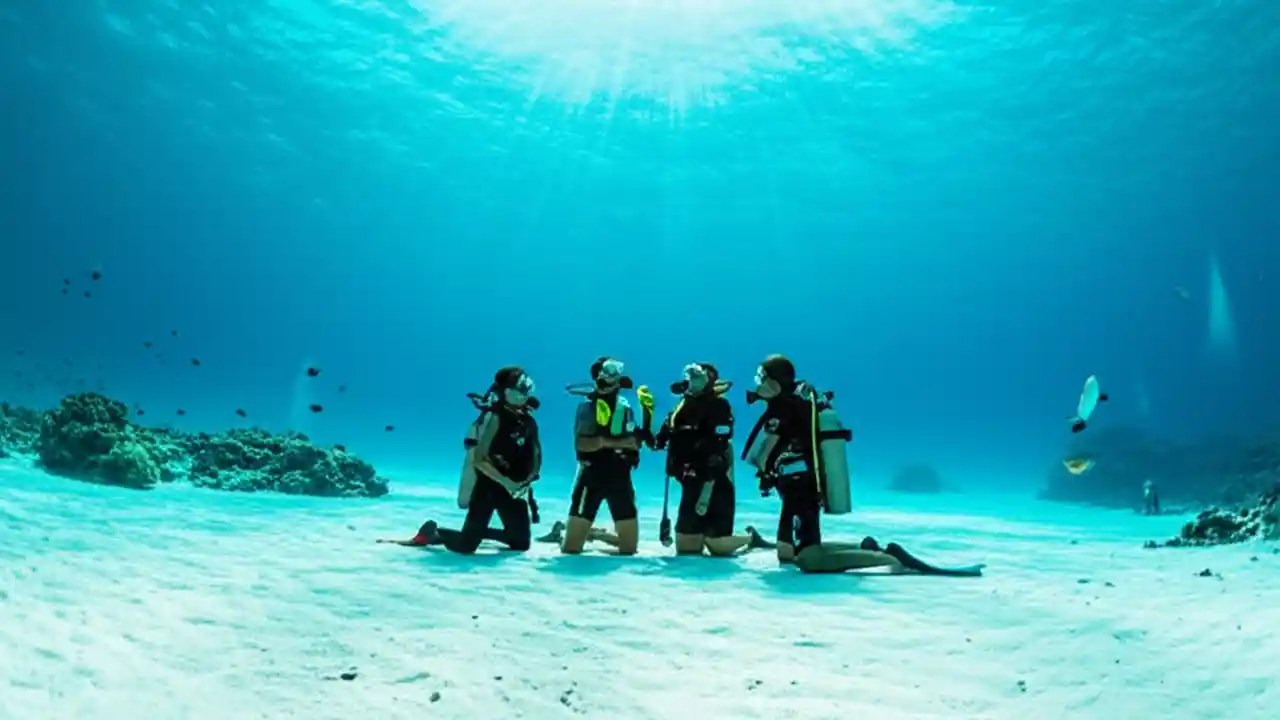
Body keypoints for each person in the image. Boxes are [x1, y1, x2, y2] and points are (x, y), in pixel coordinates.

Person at [742, 354, 983, 576]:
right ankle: (864, 546)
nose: (758, 384)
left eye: (761, 378)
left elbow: (767, 451)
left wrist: (765, 471)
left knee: (809, 560)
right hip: (799, 486)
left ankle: (890, 557)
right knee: (787, 553)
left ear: (774, 382)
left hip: (800, 489)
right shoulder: (800, 399)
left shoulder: (784, 407)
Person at [378, 367, 542, 554]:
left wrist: (526, 482)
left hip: (513, 488)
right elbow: (479, 460)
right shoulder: (494, 418)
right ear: (506, 392)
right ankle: (434, 533)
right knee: (466, 546)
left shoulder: (527, 421)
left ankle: (476, 533)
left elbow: (535, 453)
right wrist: (507, 483)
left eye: (528, 388)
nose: (526, 393)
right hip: (488, 487)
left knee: (521, 543)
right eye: (521, 388)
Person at [653, 361, 773, 556]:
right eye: (691, 377)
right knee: (687, 549)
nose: (694, 381)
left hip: (713, 483)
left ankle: (751, 539)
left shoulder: (718, 406)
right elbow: (665, 436)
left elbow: (719, 444)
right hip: (689, 481)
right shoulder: (681, 407)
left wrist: (706, 472)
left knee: (717, 546)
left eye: (699, 377)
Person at [561, 357, 648, 555]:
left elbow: (633, 441)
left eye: (612, 375)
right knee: (571, 550)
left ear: (619, 381)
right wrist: (618, 443)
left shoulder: (625, 408)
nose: (606, 381)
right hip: (591, 477)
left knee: (629, 550)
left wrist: (643, 439)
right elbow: (582, 444)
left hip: (620, 477)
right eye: (603, 375)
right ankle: (563, 534)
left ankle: (596, 534)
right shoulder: (586, 408)